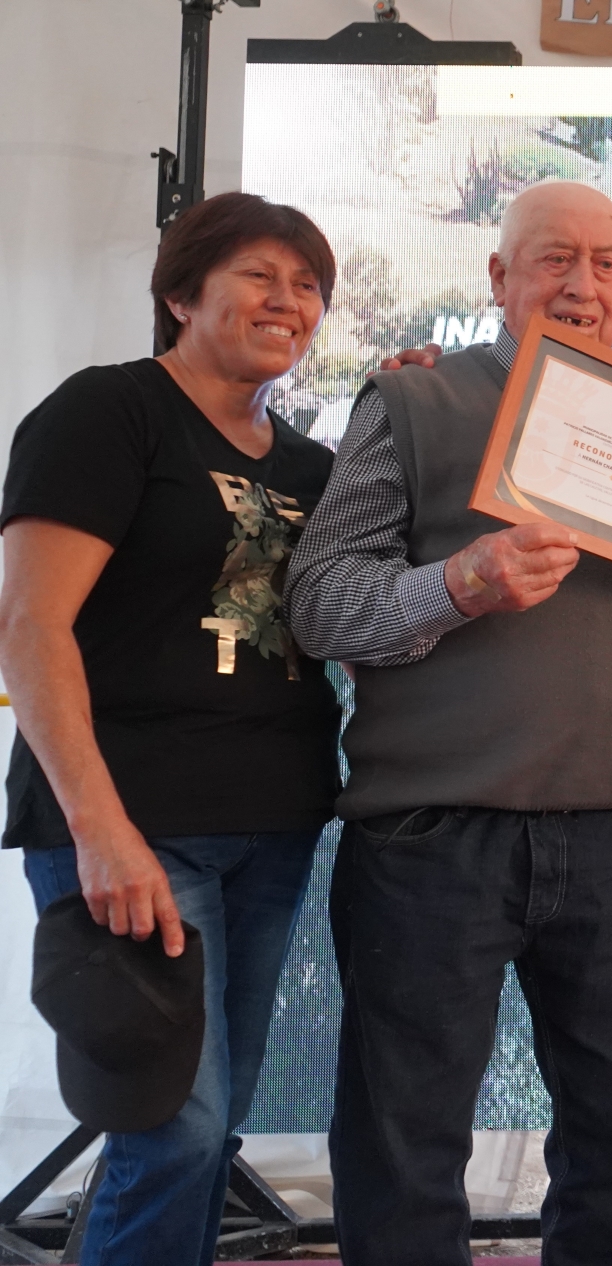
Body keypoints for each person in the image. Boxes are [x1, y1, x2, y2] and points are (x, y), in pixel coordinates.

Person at [281, 180, 612, 1264]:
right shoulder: (415, 404)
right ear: (499, 279)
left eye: (604, 262)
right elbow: (316, 603)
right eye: (554, 260)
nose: (582, 285)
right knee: (406, 1145)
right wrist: (459, 582)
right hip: (431, 835)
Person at [0, 190, 341, 1266]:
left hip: (274, 824)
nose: (287, 300)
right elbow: (28, 623)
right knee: (169, 1122)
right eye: (259, 275)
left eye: (308, 286)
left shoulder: (312, 468)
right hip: (134, 825)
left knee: (213, 1122)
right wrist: (98, 831)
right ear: (181, 293)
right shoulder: (109, 413)